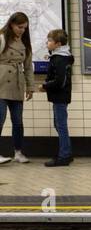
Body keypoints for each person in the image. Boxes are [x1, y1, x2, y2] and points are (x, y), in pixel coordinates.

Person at [0, 11, 36, 165]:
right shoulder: (1, 38)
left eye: (25, 28)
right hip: (0, 83)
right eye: (19, 27)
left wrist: (30, 87)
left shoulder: (25, 43)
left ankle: (18, 152)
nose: (22, 30)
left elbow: (28, 67)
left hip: (17, 84)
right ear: (11, 24)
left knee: (18, 121)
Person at [38, 28, 74, 166]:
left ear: (58, 44)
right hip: (60, 96)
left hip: (60, 96)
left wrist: (45, 86)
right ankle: (66, 152)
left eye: (50, 41)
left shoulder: (60, 59)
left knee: (61, 125)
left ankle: (64, 156)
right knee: (59, 124)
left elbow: (59, 81)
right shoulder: (62, 56)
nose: (47, 43)